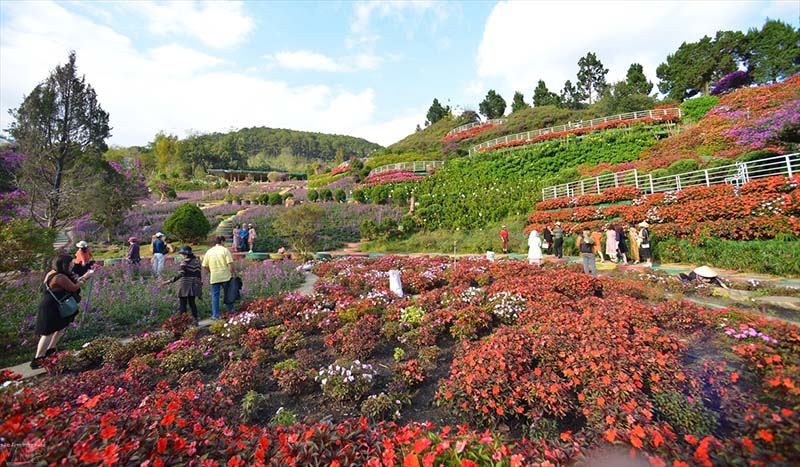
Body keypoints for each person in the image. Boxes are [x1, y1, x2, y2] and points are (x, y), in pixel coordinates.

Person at [31, 254, 94, 368]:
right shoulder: (59, 277)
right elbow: (73, 287)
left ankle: (51, 349)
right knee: (48, 332)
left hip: (56, 305)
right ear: (65, 265)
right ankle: (38, 358)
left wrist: (79, 278)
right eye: (70, 264)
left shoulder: (53, 273)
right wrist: (86, 277)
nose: (72, 265)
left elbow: (70, 284)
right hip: (51, 307)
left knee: (60, 327)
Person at [163, 246, 203, 324]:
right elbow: (199, 274)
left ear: (185, 254)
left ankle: (183, 322)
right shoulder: (197, 262)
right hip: (194, 285)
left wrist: (169, 281)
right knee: (192, 303)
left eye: (181, 254)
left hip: (184, 286)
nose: (181, 255)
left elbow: (181, 274)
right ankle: (195, 320)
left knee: (183, 304)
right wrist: (200, 285)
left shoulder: (184, 262)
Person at [202, 236, 237, 320]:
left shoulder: (209, 251)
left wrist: (211, 271)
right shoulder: (225, 250)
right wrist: (233, 273)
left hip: (214, 276)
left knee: (215, 296)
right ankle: (230, 312)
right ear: (222, 241)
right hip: (225, 276)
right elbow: (230, 264)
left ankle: (215, 315)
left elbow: (204, 265)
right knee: (228, 294)